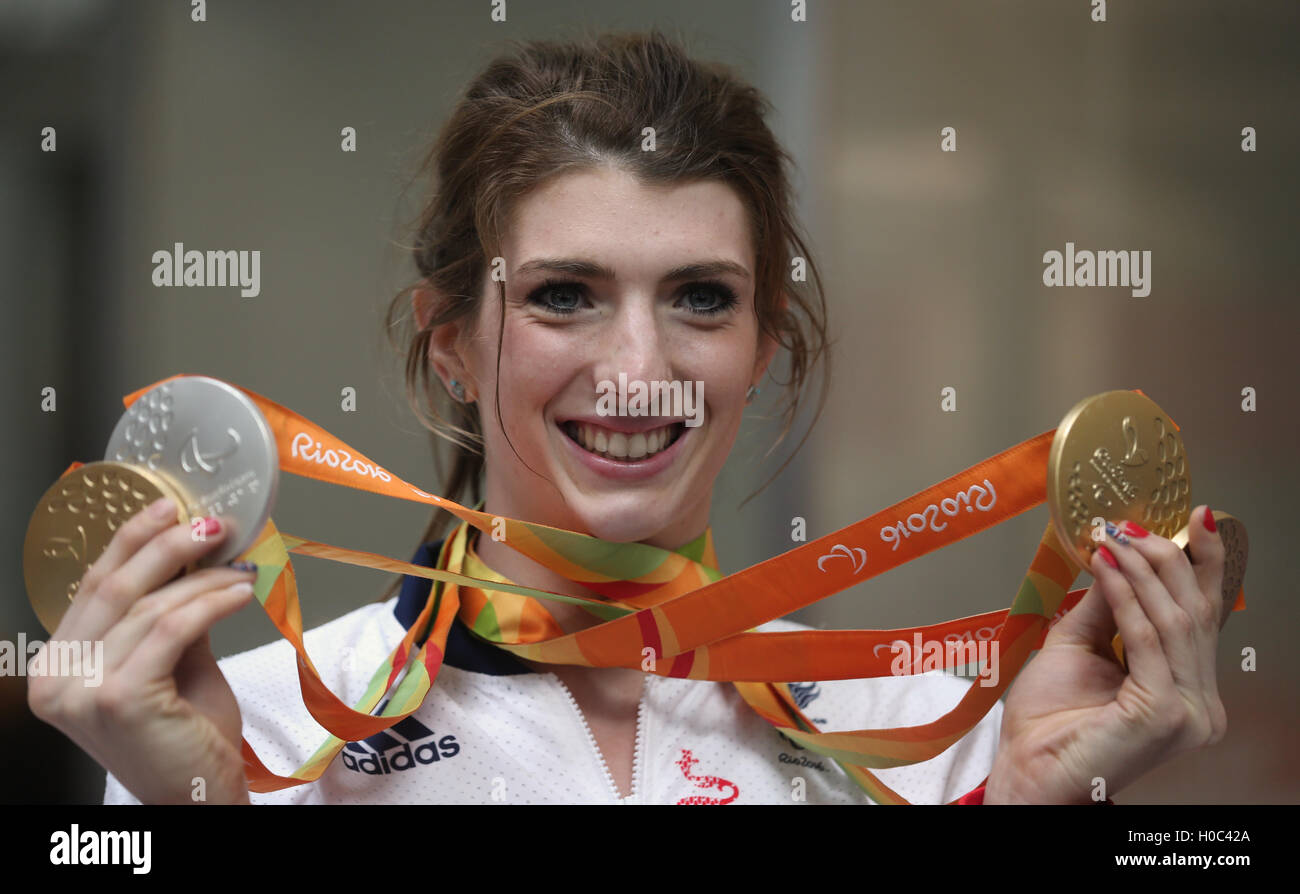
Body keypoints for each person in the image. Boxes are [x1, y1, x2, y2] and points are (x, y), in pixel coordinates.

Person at [29, 30, 1227, 806]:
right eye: (564, 295)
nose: (640, 366)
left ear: (763, 347)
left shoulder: (920, 734)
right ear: (450, 339)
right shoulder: (255, 730)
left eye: (701, 298)